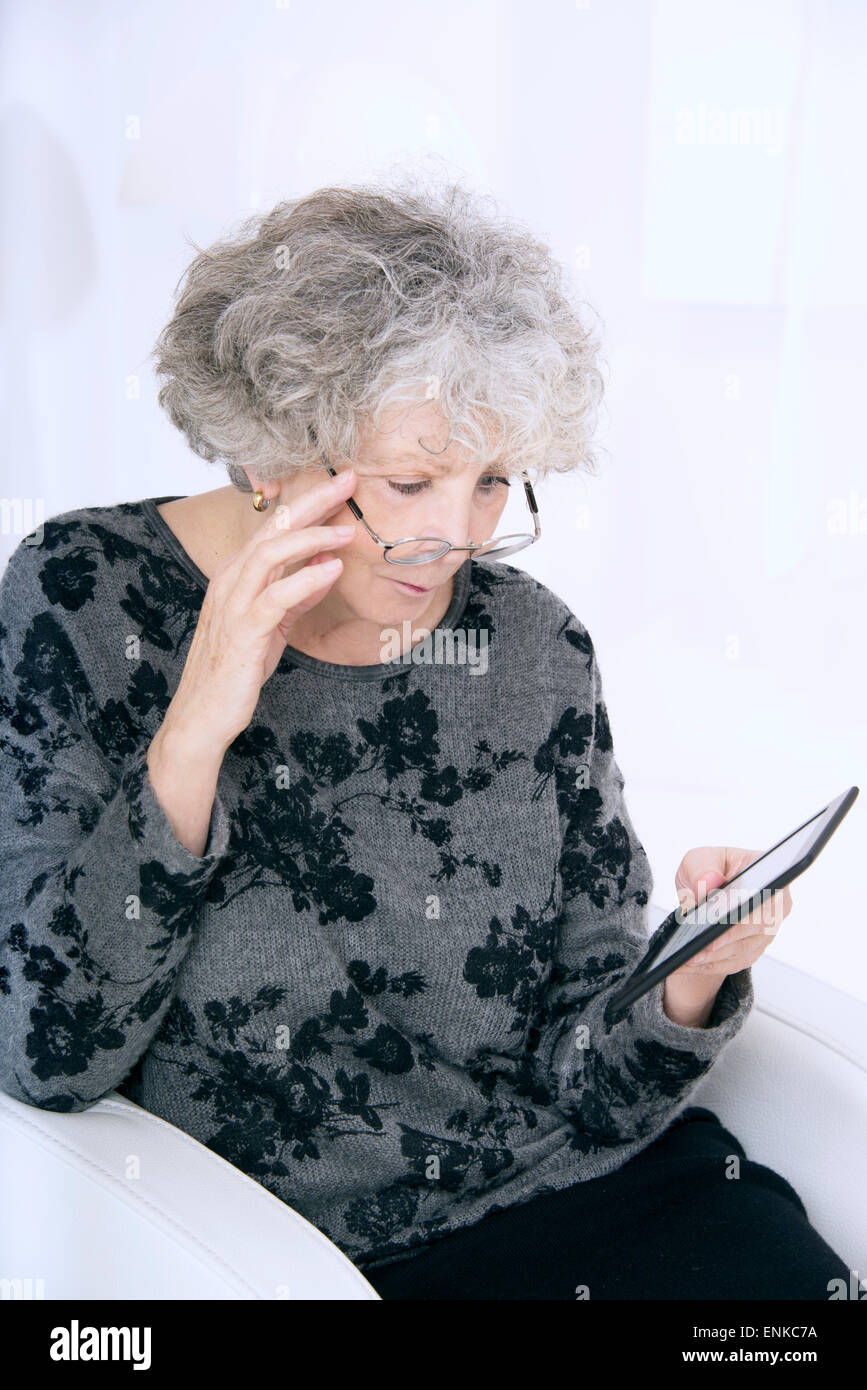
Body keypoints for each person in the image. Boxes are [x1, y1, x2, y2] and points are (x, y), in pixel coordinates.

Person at [0, 177, 850, 1299]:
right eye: (410, 482)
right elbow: (48, 1050)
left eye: (493, 480)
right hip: (309, 1266)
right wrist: (197, 724)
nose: (455, 536)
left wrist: (692, 972)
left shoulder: (534, 649)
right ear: (269, 452)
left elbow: (590, 1081)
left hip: (608, 1198)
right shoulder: (86, 599)